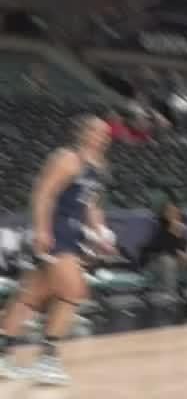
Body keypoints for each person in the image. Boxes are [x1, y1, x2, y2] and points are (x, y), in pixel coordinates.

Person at [0, 115, 110, 386]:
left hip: (71, 236)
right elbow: (43, 194)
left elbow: (90, 204)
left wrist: (101, 231)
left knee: (30, 297)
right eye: (97, 131)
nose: (103, 137)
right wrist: (41, 229)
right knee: (74, 291)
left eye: (106, 133)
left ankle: (3, 355)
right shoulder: (67, 158)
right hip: (53, 232)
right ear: (82, 133)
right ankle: (48, 360)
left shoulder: (99, 166)